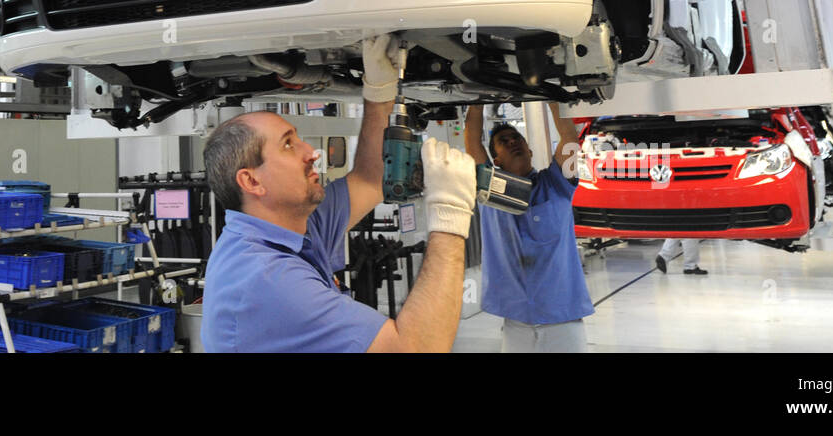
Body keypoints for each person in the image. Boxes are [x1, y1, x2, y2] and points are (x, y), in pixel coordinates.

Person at [200, 34, 478, 352]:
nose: (311, 152)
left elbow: (370, 180)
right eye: (289, 144)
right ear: (252, 182)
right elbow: (415, 348)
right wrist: (450, 212)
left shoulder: (291, 228)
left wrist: (379, 89)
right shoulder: (268, 279)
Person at [464, 103, 594, 353]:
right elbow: (472, 142)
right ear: (496, 160)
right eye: (504, 141)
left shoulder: (558, 184)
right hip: (517, 323)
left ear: (530, 150)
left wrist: (552, 98)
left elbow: (569, 139)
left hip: (563, 320)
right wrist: (477, 99)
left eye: (517, 138)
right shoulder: (490, 189)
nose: (513, 142)